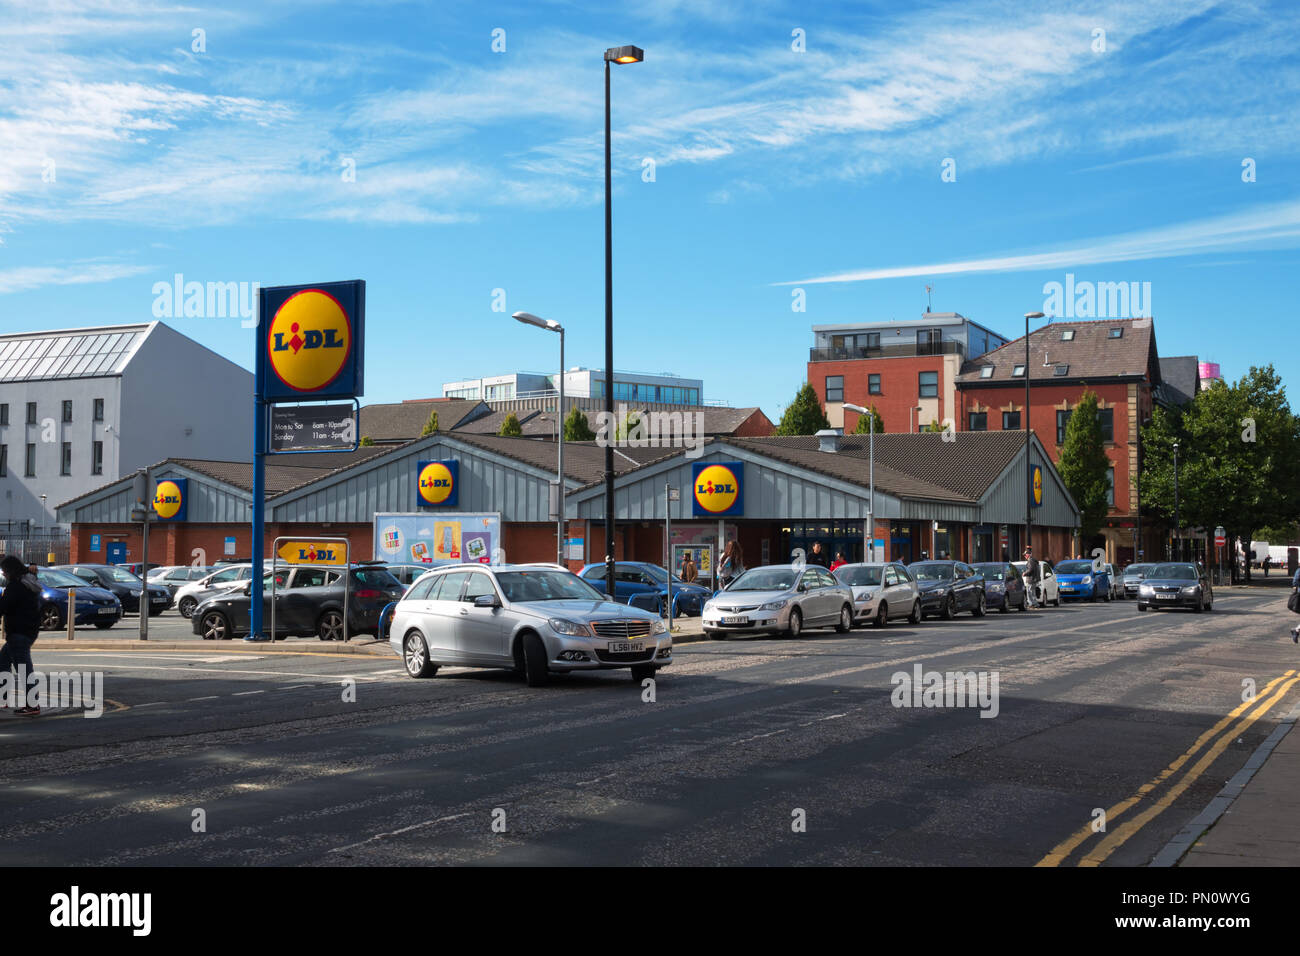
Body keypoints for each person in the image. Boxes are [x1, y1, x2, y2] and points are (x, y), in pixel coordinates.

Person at [0, 555, 42, 716]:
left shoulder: (16, 587)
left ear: (11, 571)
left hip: (18, 633)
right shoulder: (28, 582)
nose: (3, 574)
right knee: (3, 662)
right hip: (28, 631)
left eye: (4, 571)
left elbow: (3, 607)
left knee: (24, 669)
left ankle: (32, 705)